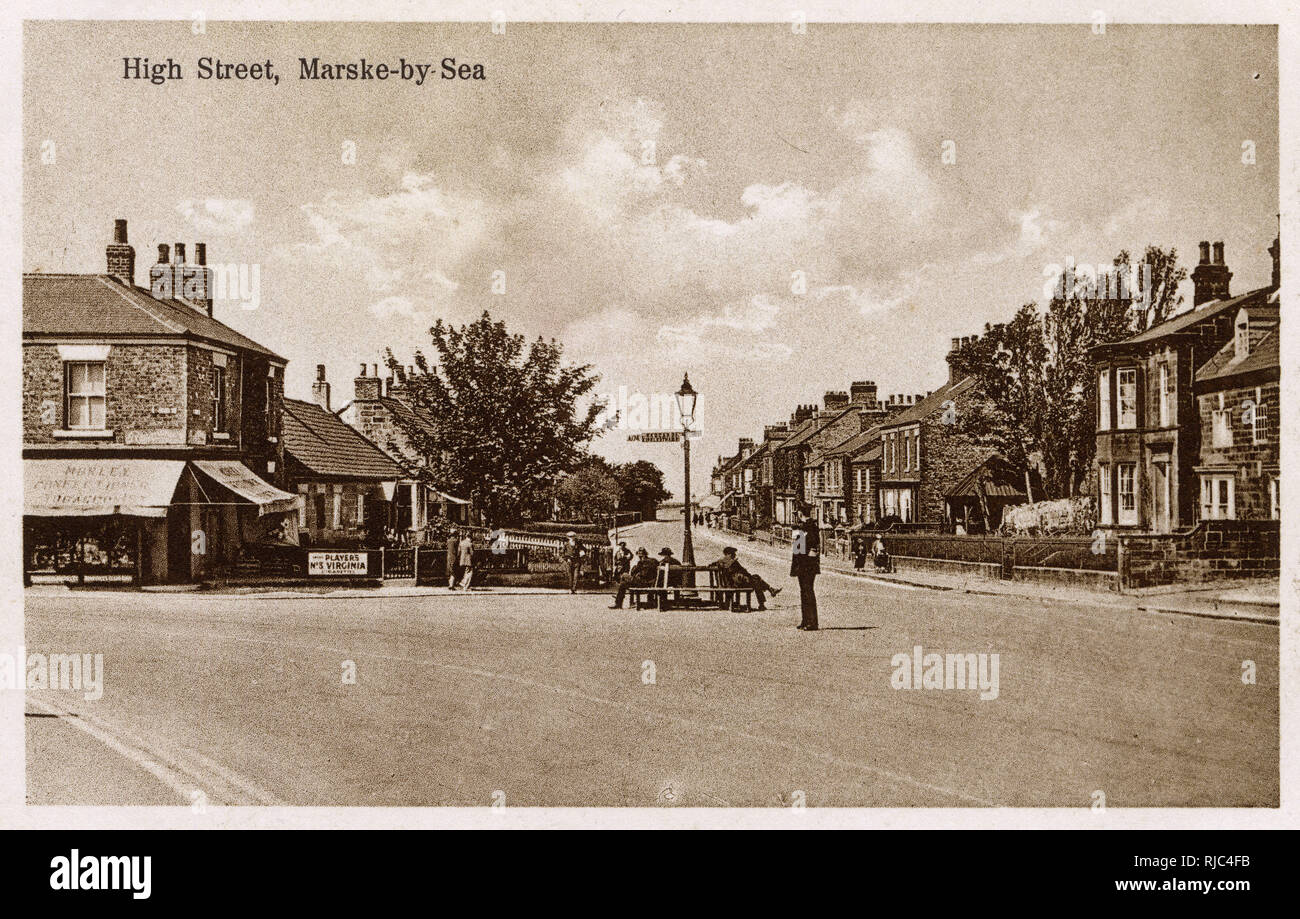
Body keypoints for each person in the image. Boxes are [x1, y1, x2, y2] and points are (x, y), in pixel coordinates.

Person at [709, 546, 781, 610]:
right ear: (729, 554)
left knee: (756, 580)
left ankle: (768, 594)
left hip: (734, 583)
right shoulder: (732, 562)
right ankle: (766, 596)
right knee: (757, 580)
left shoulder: (722, 561)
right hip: (737, 583)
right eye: (733, 553)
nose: (735, 555)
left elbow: (711, 565)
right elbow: (744, 572)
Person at [790, 504, 820, 630]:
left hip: (806, 565)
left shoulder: (808, 527)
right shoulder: (805, 527)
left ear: (801, 514)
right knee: (804, 592)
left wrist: (796, 538)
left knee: (808, 592)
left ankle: (812, 622)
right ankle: (805, 620)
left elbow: (800, 548)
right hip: (805, 564)